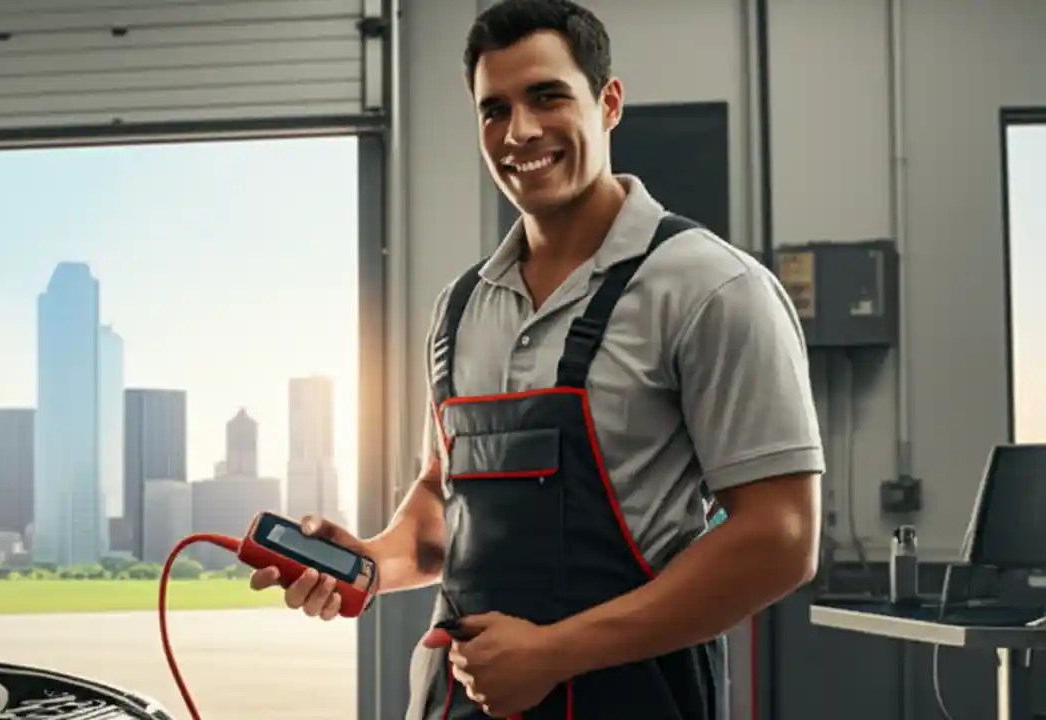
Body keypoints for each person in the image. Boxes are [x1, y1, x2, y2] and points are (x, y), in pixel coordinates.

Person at [249, 0, 825, 717]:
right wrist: (366, 562)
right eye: (494, 109)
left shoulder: (715, 289)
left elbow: (781, 538)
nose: (519, 131)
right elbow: (444, 500)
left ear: (608, 103)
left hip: (637, 700)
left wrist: (554, 654)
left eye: (547, 96)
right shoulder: (459, 308)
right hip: (458, 699)